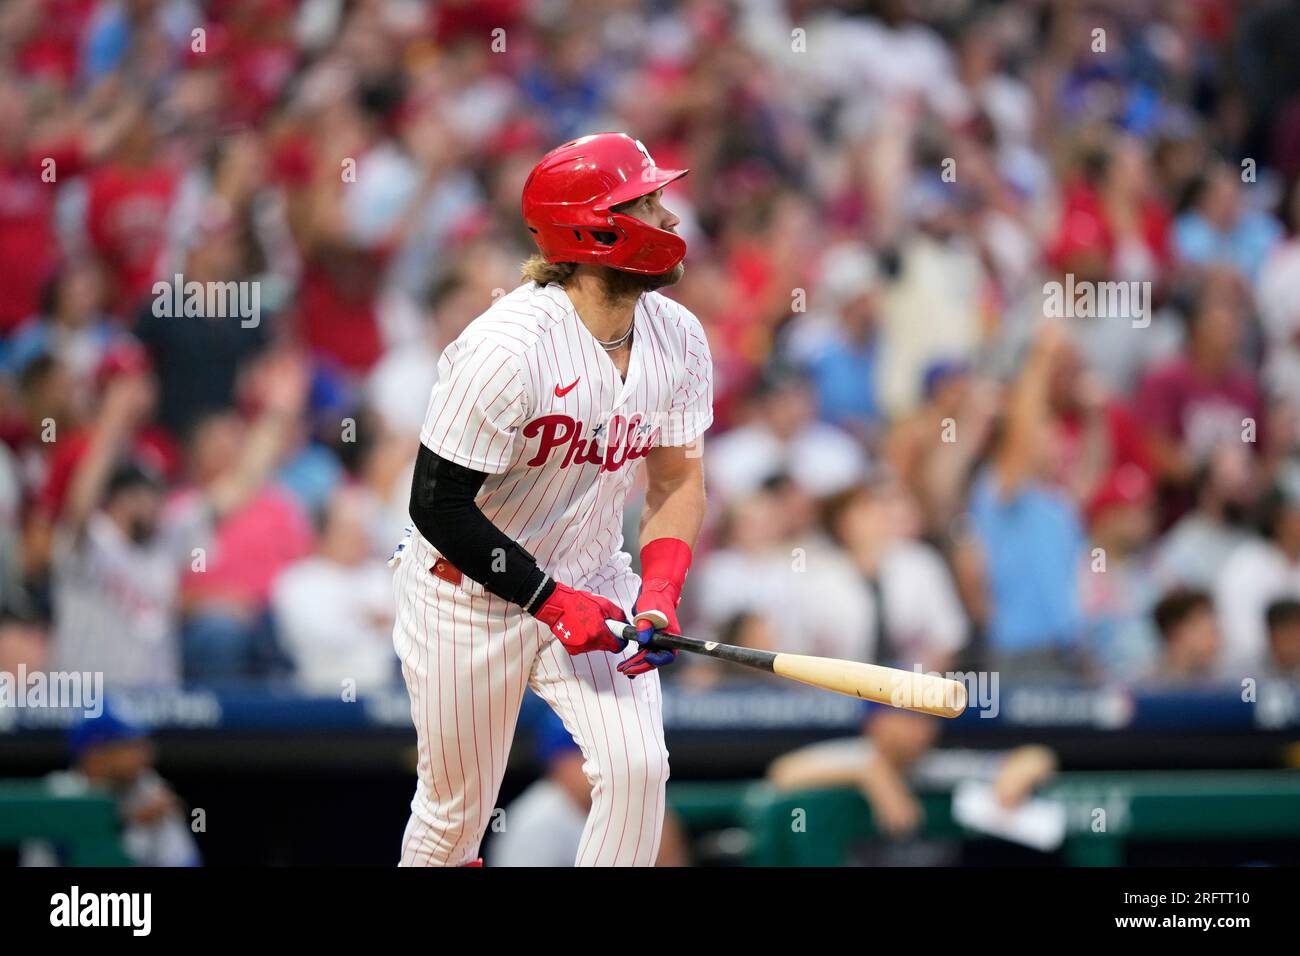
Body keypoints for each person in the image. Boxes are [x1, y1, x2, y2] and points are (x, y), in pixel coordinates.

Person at [390, 133, 713, 867]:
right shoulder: (506, 350)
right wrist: (545, 597)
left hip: (593, 578)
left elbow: (676, 479)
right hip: (467, 596)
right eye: (646, 203)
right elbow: (437, 507)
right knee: (451, 824)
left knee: (637, 772)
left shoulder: (680, 338)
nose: (668, 217)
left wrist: (660, 589)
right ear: (595, 229)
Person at [21, 703, 201, 868]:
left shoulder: (149, 790)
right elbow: (67, 853)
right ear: (95, 753)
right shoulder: (57, 792)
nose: (144, 754)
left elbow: (184, 861)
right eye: (129, 746)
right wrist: (128, 823)